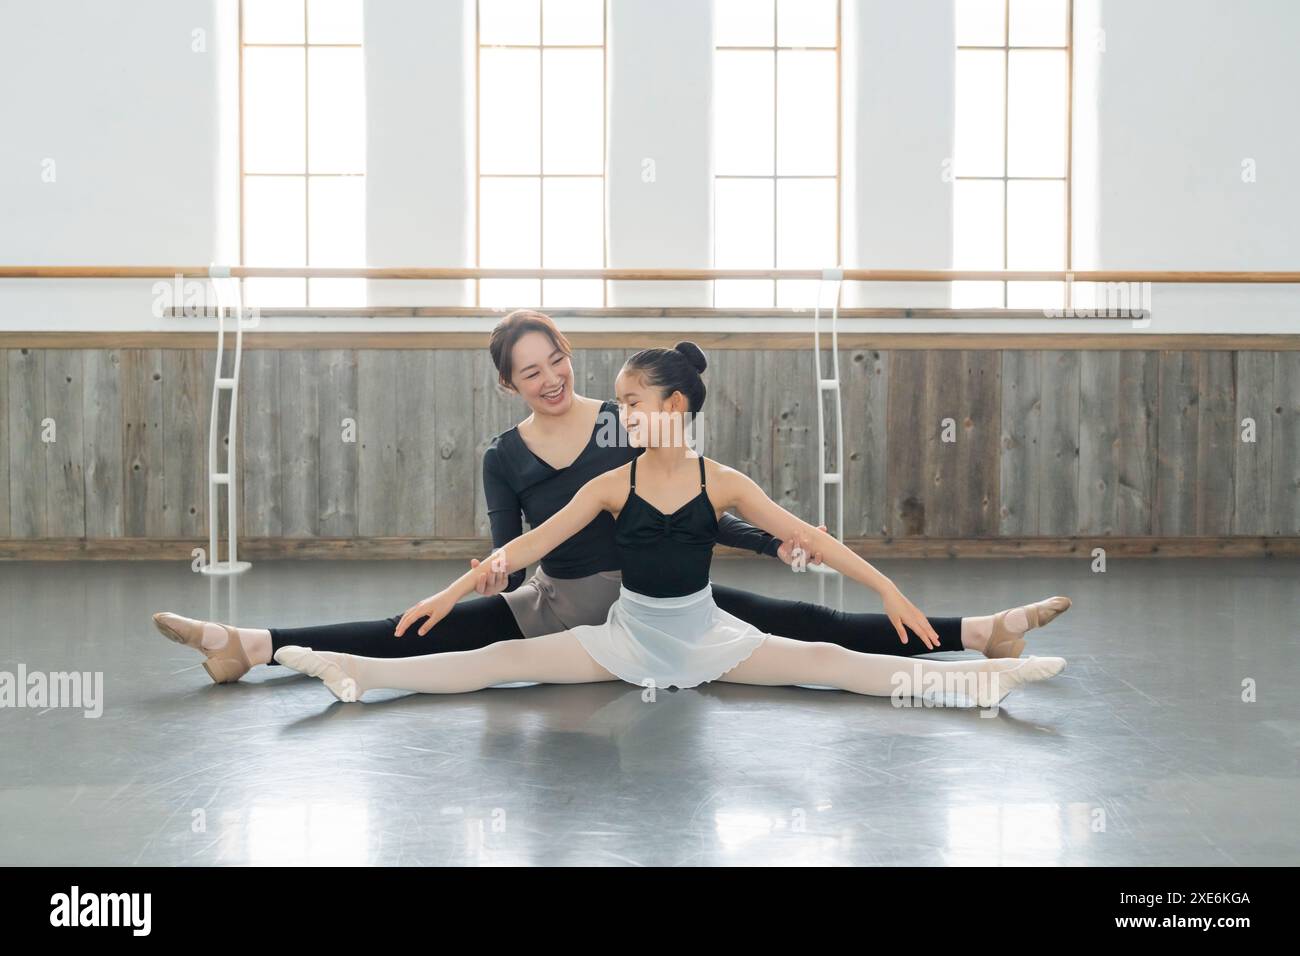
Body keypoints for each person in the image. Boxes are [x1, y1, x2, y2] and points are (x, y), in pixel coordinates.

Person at [153, 311, 1071, 684]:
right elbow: (515, 550)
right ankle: (257, 645)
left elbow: (687, 508)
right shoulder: (505, 456)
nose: (551, 380)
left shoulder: (618, 424)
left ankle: (978, 632)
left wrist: (765, 543)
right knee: (425, 632)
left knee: (811, 627)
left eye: (557, 363)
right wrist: (468, 586)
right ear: (509, 387)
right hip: (567, 606)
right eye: (530, 373)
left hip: (652, 590)